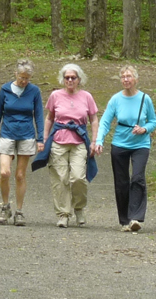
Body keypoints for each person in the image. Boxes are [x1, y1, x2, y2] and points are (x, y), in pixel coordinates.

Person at [32, 63, 100, 228]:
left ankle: (79, 208)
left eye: (73, 77)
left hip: (79, 142)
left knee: (78, 177)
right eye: (67, 77)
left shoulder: (86, 97)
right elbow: (49, 118)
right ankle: (63, 214)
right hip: (58, 141)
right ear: (63, 79)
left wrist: (94, 141)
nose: (70, 80)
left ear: (79, 79)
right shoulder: (55, 95)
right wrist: (44, 138)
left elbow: (94, 119)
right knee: (60, 178)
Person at [94, 65, 156, 232]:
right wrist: (99, 140)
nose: (126, 79)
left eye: (129, 76)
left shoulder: (145, 99)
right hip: (120, 144)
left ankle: (135, 217)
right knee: (121, 182)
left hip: (141, 144)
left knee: (137, 178)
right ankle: (124, 220)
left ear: (135, 79)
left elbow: (153, 121)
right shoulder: (115, 99)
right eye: (123, 77)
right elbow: (105, 122)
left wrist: (144, 129)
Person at [0, 59, 44, 226]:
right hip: (7, 134)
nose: (24, 81)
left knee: (20, 175)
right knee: (5, 172)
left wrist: (40, 138)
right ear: (15, 74)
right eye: (21, 77)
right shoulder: (5, 90)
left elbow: (39, 116)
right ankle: (5, 207)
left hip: (26, 135)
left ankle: (19, 211)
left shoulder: (34, 91)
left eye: (27, 78)